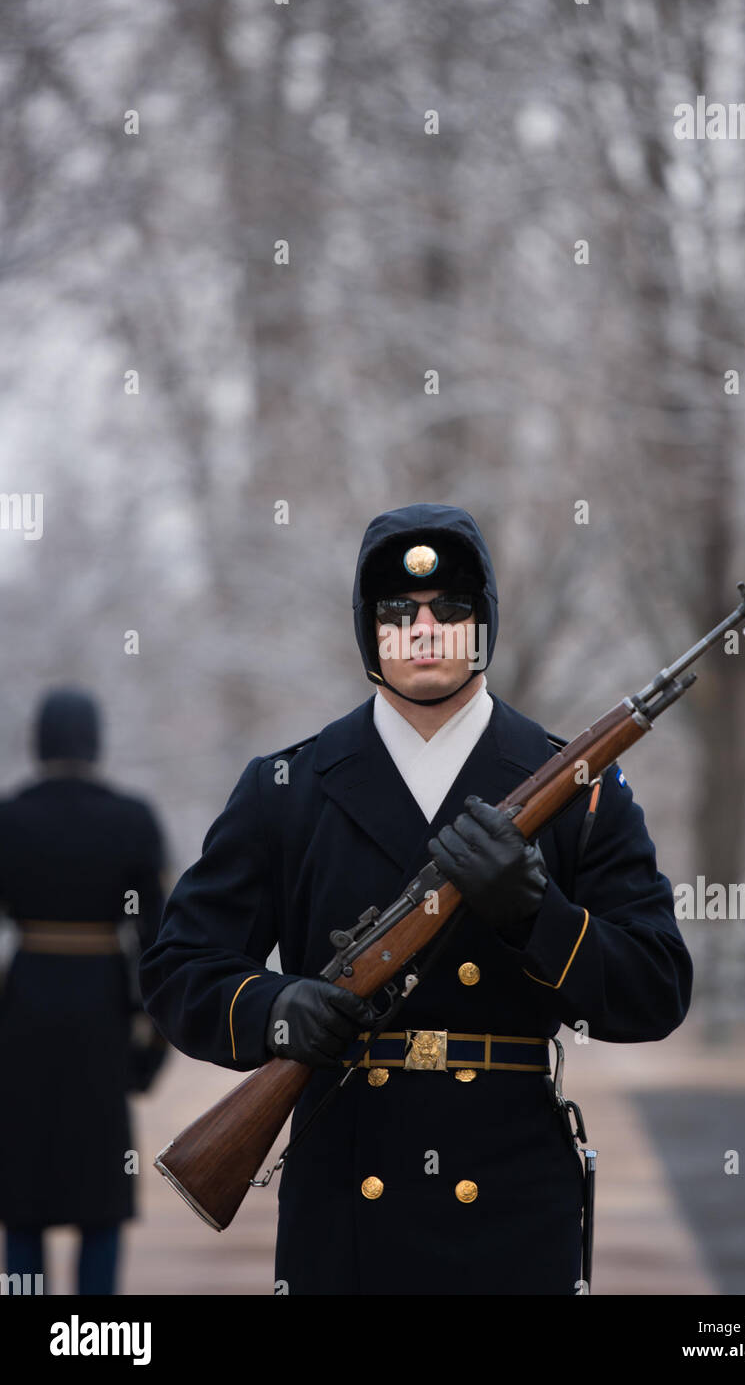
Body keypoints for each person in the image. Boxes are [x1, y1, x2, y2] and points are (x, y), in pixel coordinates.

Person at [141, 503, 692, 1295]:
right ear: (369, 634)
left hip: (511, 1212)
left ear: (483, 627)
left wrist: (537, 918)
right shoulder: (286, 789)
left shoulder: (579, 789)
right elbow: (178, 970)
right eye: (396, 614)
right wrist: (277, 1009)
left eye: (450, 610)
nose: (424, 629)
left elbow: (654, 989)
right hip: (348, 1214)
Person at [0, 688, 167, 1295]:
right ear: (95, 740)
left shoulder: (8, 817)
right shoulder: (130, 818)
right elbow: (159, 942)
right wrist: (151, 1048)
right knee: (101, 1194)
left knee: (21, 1198)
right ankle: (95, 1333)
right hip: (102, 1014)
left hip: (21, 1016)